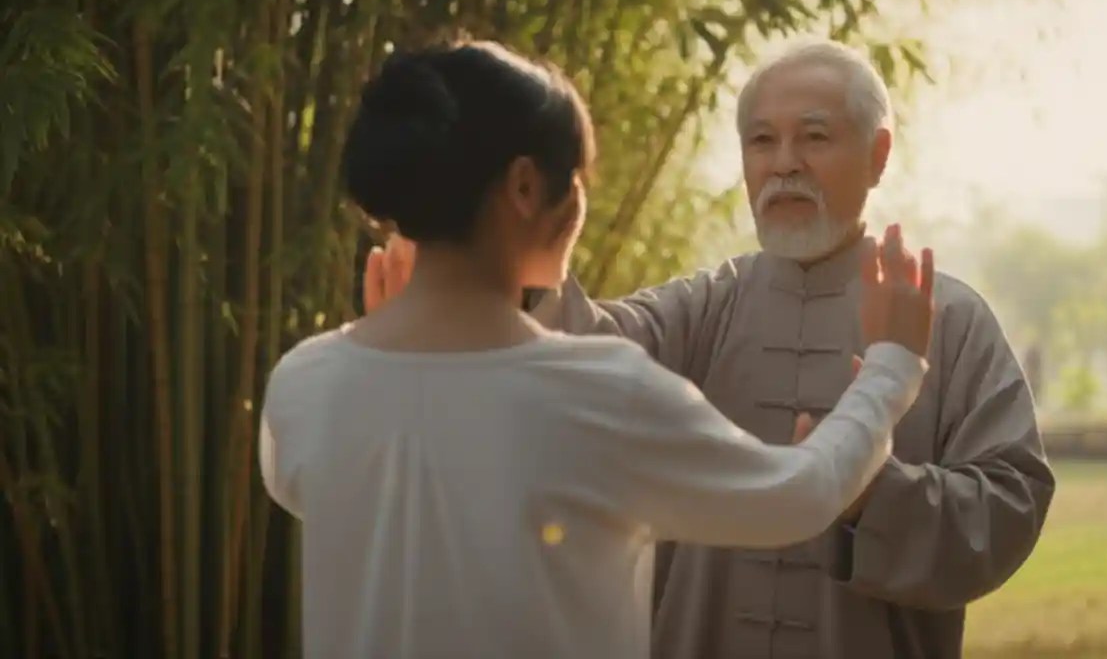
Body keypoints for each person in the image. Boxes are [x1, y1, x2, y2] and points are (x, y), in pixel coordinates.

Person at [365, 38, 1055, 659]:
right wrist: (482, 276)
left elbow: (1011, 502)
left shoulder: (945, 320)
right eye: (761, 142)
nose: (784, 164)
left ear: (877, 155)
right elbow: (582, 356)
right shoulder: (703, 309)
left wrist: (873, 498)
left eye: (814, 137)